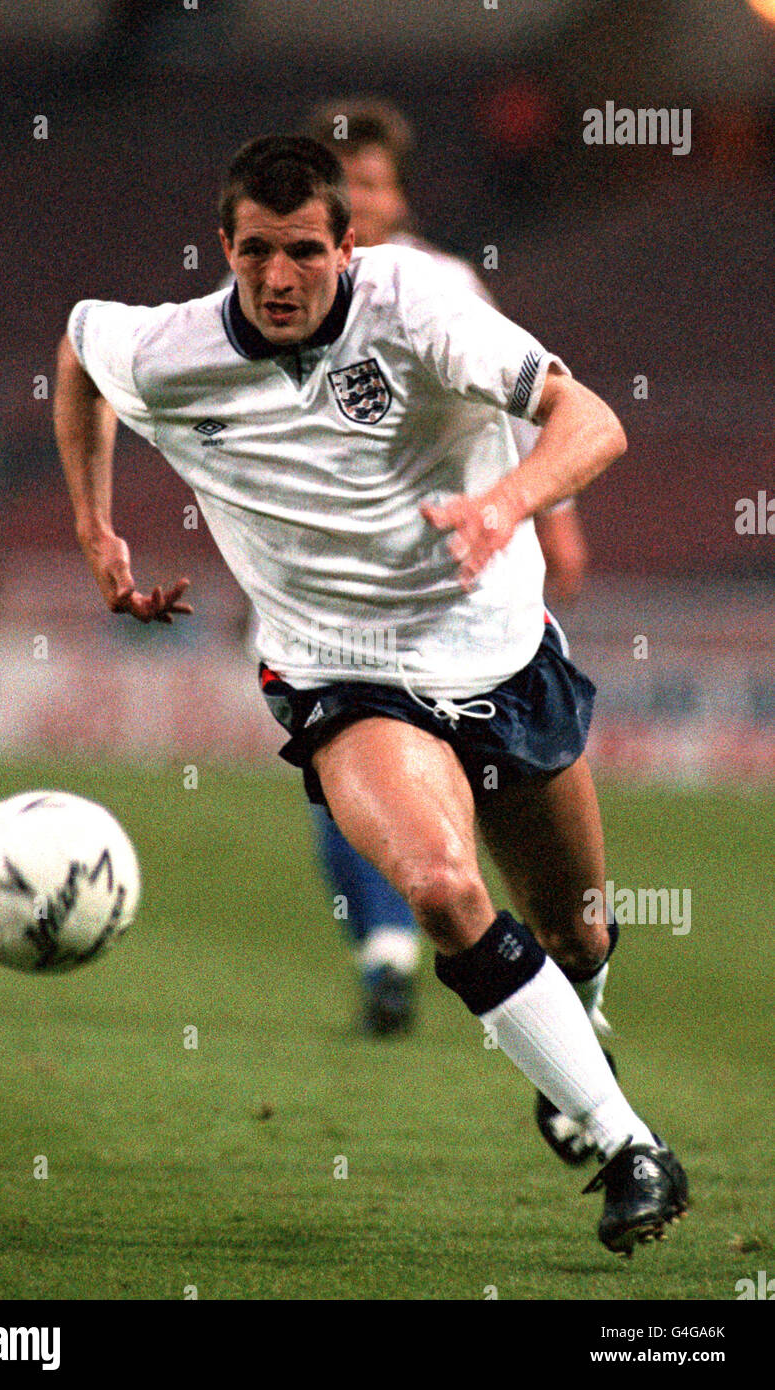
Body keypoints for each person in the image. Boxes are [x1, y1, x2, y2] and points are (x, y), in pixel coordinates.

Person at [53, 135, 689, 1254]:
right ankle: (626, 1141)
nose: (280, 277)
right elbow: (76, 347)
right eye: (256, 253)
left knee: (577, 932)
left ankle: (574, 1029)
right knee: (442, 886)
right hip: (338, 672)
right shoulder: (167, 349)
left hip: (497, 656)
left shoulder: (424, 309)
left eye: (305, 250)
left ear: (350, 245)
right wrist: (94, 525)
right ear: (226, 248)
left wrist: (502, 506)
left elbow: (593, 421)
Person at [303, 98, 590, 1039]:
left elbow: (529, 404)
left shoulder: (441, 283)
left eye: (376, 183)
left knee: (511, 828)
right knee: (343, 746)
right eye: (343, 183)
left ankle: (568, 976)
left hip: (457, 579)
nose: (362, 200)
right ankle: (387, 951)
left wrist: (552, 516)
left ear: (398, 195)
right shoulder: (284, 292)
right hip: (337, 592)